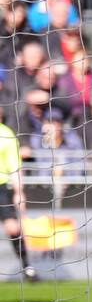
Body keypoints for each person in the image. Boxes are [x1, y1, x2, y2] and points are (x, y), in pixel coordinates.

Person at [0, 120, 36, 280]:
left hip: (1, 187)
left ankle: (27, 267)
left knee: (13, 228)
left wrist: (18, 191)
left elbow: (15, 166)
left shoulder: (6, 134)